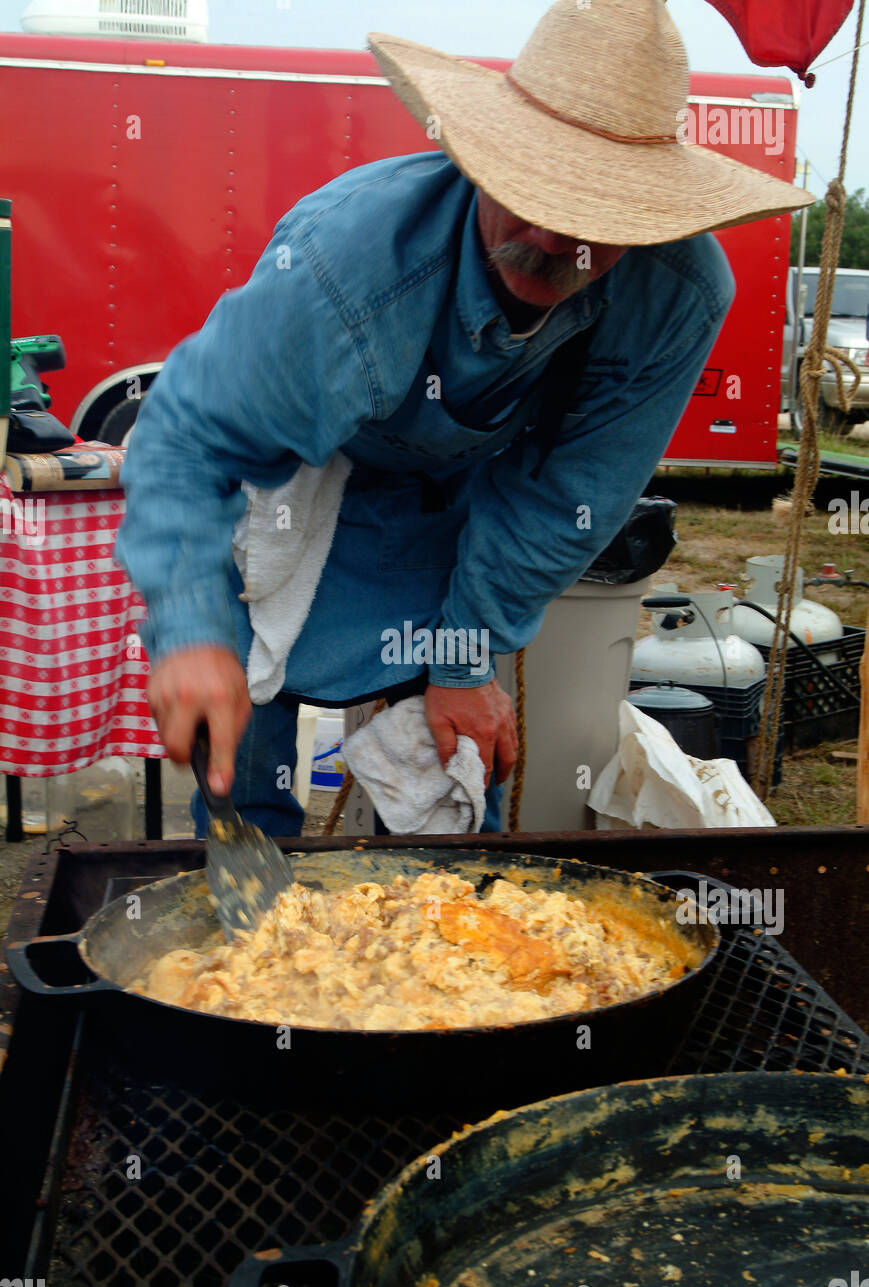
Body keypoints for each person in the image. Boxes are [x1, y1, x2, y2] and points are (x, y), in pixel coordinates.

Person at [114, 0, 812, 837]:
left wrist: (461, 656)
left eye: (598, 220)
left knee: (455, 759)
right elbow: (188, 440)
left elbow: (566, 497)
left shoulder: (677, 293)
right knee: (237, 715)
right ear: (479, 160)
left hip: (467, 497)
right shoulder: (347, 265)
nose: (551, 240)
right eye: (528, 193)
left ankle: (450, 923)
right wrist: (190, 631)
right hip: (304, 479)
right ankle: (246, 880)